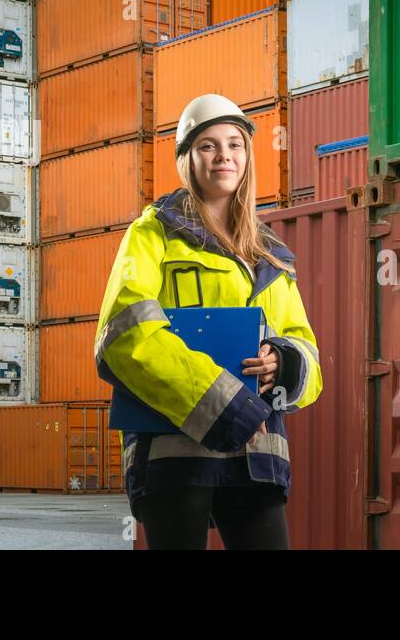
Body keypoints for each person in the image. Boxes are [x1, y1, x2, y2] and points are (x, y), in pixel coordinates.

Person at [94, 94, 322, 550]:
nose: (224, 156)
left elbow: (306, 346)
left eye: (235, 144)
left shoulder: (272, 256)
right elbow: (124, 336)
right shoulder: (154, 232)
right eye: (207, 145)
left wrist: (284, 362)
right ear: (186, 159)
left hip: (256, 452)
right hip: (173, 450)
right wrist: (224, 402)